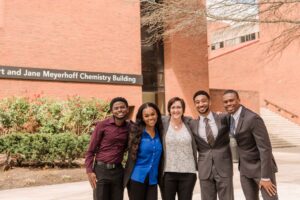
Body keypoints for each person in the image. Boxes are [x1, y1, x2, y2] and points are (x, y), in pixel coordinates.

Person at [222, 89, 278, 200]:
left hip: (261, 169)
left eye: (231, 100)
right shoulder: (229, 118)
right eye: (225, 102)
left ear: (239, 100)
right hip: (244, 170)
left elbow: (265, 148)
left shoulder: (253, 118)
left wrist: (265, 177)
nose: (228, 104)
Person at [189, 90, 234, 200]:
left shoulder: (223, 118)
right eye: (197, 102)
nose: (201, 104)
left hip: (224, 167)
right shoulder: (192, 124)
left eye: (203, 101)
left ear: (209, 102)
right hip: (205, 169)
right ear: (195, 104)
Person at [85, 97, 130, 200]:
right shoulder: (102, 125)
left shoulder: (129, 127)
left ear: (127, 109)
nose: (120, 110)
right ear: (112, 111)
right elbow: (90, 151)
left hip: (118, 171)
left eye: (122, 107)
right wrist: (89, 171)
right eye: (116, 108)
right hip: (101, 171)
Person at [124, 102, 163, 200]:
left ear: (157, 114)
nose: (150, 118)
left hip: (153, 179)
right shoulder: (136, 133)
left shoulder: (161, 132)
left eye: (153, 114)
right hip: (137, 178)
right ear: (142, 117)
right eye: (146, 116)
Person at [160, 97, 198, 200]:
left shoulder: (189, 123)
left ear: (183, 109)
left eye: (179, 107)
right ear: (169, 109)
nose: (176, 110)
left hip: (188, 172)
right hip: (168, 173)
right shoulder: (163, 123)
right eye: (173, 107)